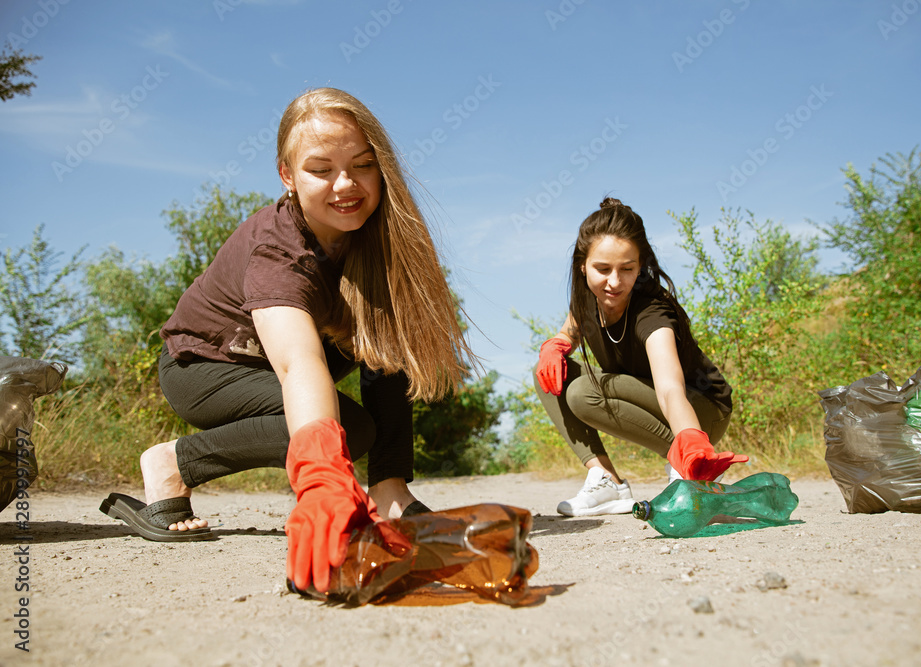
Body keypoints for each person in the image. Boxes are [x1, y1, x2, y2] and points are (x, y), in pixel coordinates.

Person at [100, 88, 475, 592]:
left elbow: (379, 357)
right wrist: (322, 477)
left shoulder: (376, 238)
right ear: (288, 176)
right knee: (349, 429)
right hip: (203, 368)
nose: (346, 184)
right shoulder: (277, 250)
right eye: (321, 169)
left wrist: (382, 480)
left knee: (389, 324)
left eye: (362, 165)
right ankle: (173, 461)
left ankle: (389, 491)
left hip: (275, 369)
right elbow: (300, 366)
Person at [534, 197, 748, 517]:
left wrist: (690, 439)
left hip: (701, 409)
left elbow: (669, 388)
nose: (615, 282)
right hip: (650, 400)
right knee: (547, 369)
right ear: (583, 265)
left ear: (640, 265)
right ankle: (606, 480)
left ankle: (689, 465)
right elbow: (569, 333)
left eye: (627, 269)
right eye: (602, 269)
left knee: (583, 392)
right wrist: (554, 346)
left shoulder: (652, 314)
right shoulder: (587, 299)